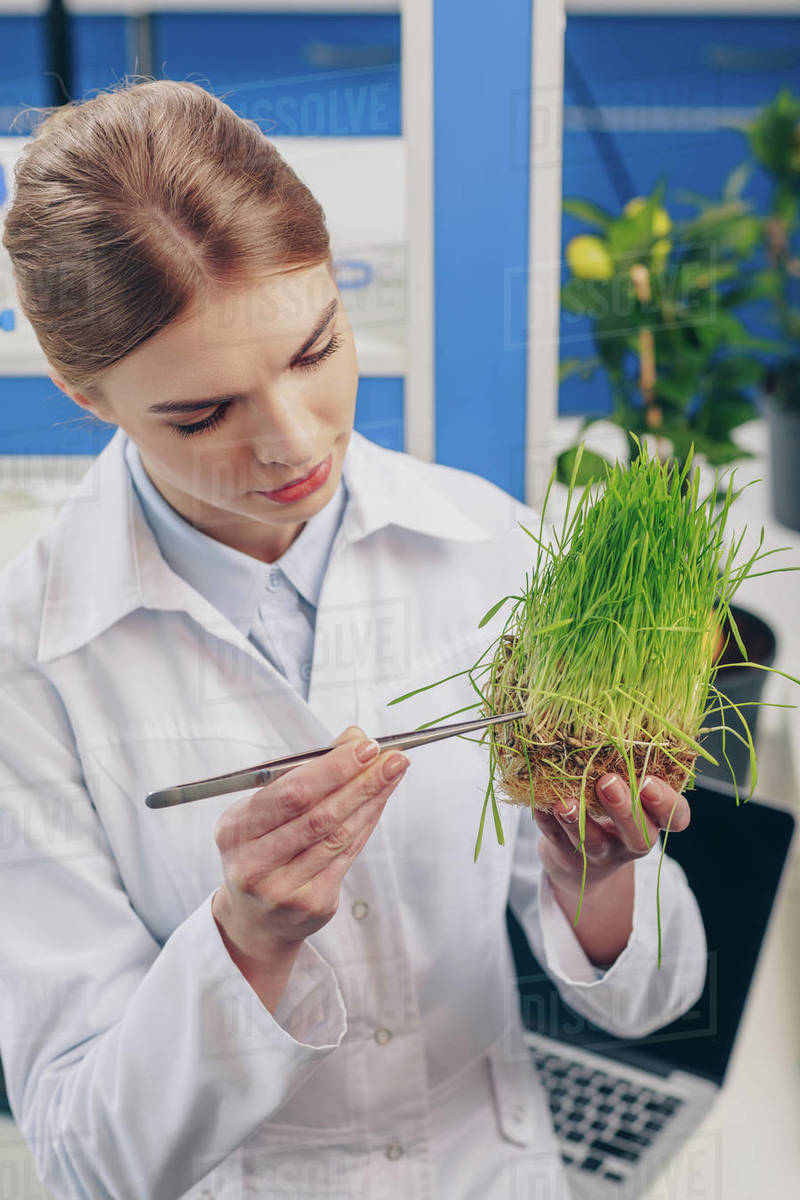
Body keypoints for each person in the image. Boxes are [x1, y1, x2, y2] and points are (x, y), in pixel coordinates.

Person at [0, 79, 706, 1200]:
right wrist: (243, 942)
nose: (291, 442)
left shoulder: (483, 540)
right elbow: (91, 1161)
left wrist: (593, 880)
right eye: (201, 413)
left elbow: (652, 1002)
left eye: (315, 349)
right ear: (89, 397)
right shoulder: (25, 665)